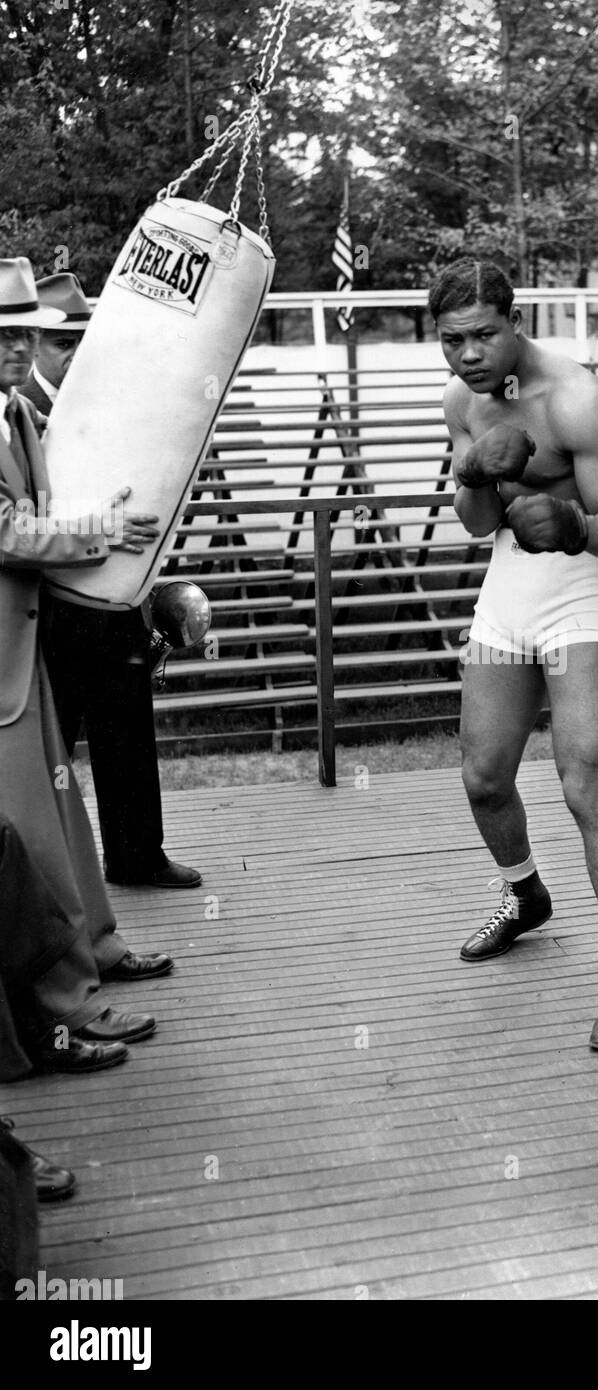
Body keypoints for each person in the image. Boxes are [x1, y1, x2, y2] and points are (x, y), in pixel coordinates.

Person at [429, 258, 598, 1051]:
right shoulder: (461, 400)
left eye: (485, 334)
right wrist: (469, 469)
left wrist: (578, 524)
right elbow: (474, 522)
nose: (469, 354)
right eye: (453, 340)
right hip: (509, 590)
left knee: (585, 774)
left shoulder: (577, 398)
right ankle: (524, 895)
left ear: (514, 320)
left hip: (584, 589)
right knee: (484, 777)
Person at [0, 257, 172, 1071]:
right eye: (2, 331)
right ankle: (63, 1010)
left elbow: (37, 514)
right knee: (29, 837)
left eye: (22, 330)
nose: (14, 344)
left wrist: (99, 522)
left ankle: (95, 949)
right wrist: (100, 535)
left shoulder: (17, 417)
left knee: (64, 815)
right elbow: (9, 532)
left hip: (24, 650)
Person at [22, 273, 201, 890]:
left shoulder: (111, 399)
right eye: (57, 341)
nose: (73, 354)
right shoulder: (18, 411)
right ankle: (48, 873)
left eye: (81, 340)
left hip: (116, 595)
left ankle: (136, 854)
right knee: (51, 747)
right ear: (31, 344)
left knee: (126, 728)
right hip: (46, 600)